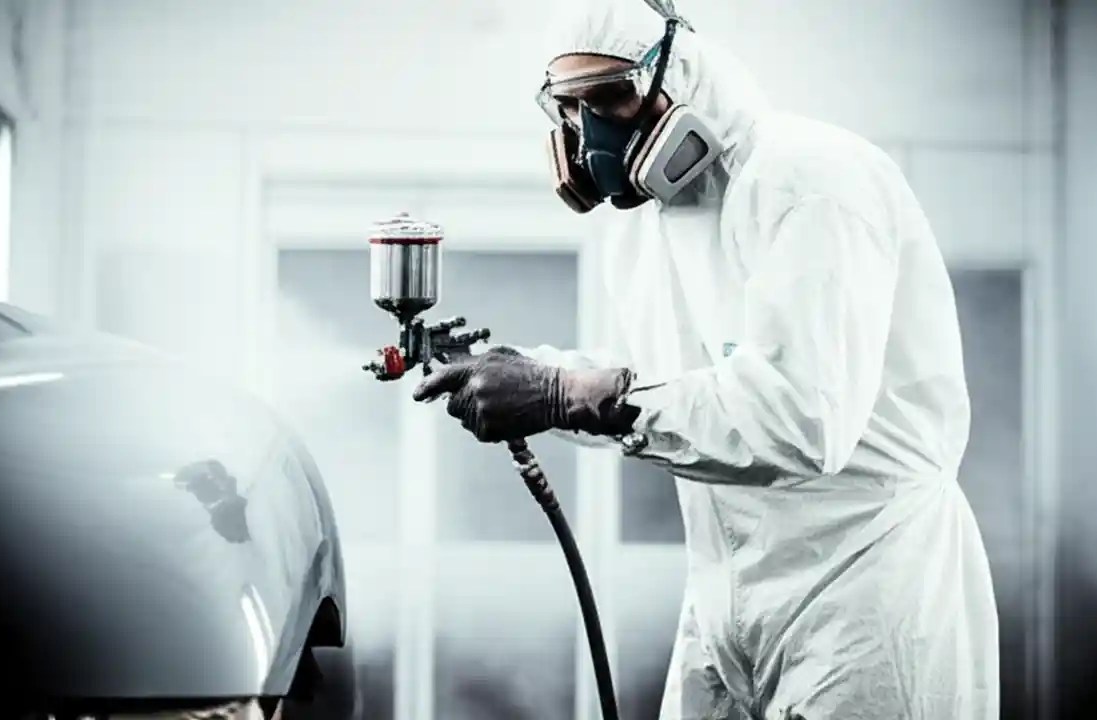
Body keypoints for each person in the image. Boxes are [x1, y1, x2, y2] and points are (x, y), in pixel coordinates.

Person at [412, 0, 1000, 717]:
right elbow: (665, 392)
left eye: (612, 96)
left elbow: (800, 419)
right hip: (729, 593)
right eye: (569, 108)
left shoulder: (810, 181)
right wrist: (521, 372)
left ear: (679, 71)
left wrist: (565, 393)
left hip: (865, 594)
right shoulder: (648, 229)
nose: (590, 132)